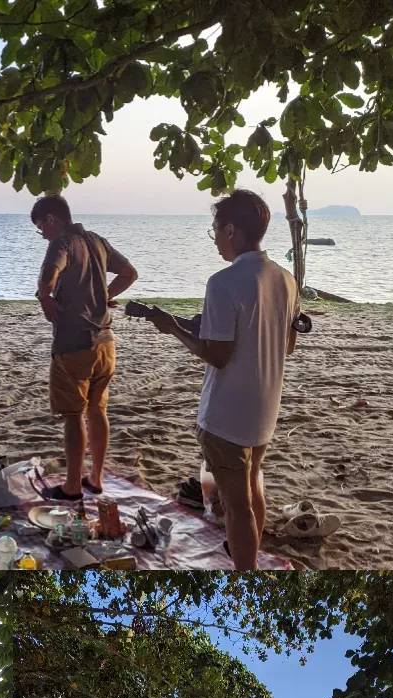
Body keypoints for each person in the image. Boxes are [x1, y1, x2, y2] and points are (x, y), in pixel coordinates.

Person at [141, 189, 299, 569]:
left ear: (231, 229)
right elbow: (288, 346)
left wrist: (172, 329)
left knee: (236, 504)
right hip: (265, 408)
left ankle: (247, 569)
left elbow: (217, 355)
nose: (214, 241)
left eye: (215, 231)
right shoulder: (287, 279)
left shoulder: (223, 282)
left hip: (227, 415)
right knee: (253, 487)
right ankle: (249, 553)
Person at [32, 194, 138, 500]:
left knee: (74, 415)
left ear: (52, 220)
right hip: (105, 342)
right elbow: (130, 273)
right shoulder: (97, 241)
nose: (43, 235)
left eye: (42, 228)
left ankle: (73, 485)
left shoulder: (62, 242)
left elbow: (48, 276)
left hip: (74, 342)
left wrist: (45, 299)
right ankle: (96, 477)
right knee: (98, 410)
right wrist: (104, 296)